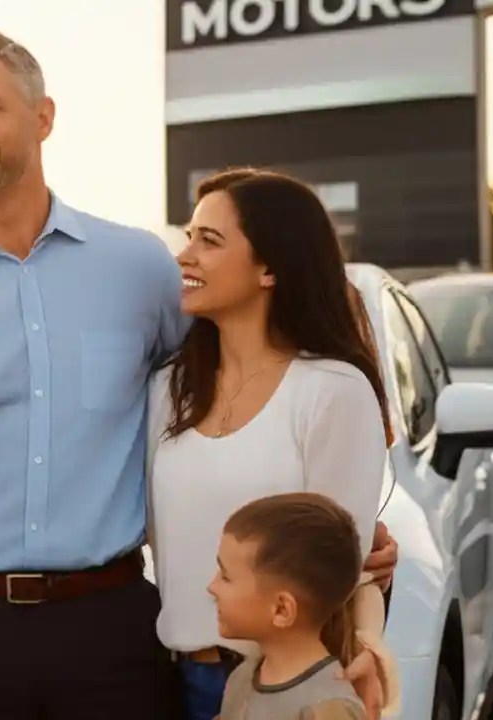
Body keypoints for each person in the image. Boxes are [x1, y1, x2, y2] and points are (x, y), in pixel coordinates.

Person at [0, 29, 397, 718]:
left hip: (112, 625)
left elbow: (237, 404)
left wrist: (336, 544)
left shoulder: (143, 270)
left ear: (43, 117)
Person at [146, 168, 399, 720]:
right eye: (188, 237)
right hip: (168, 679)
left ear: (269, 269)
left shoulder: (332, 390)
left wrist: (366, 651)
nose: (185, 257)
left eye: (209, 241)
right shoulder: (169, 388)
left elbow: (346, 563)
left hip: (284, 690)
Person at [212, 493, 396, 720]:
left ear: (282, 610)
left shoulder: (328, 709)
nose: (212, 587)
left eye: (226, 577)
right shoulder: (242, 679)